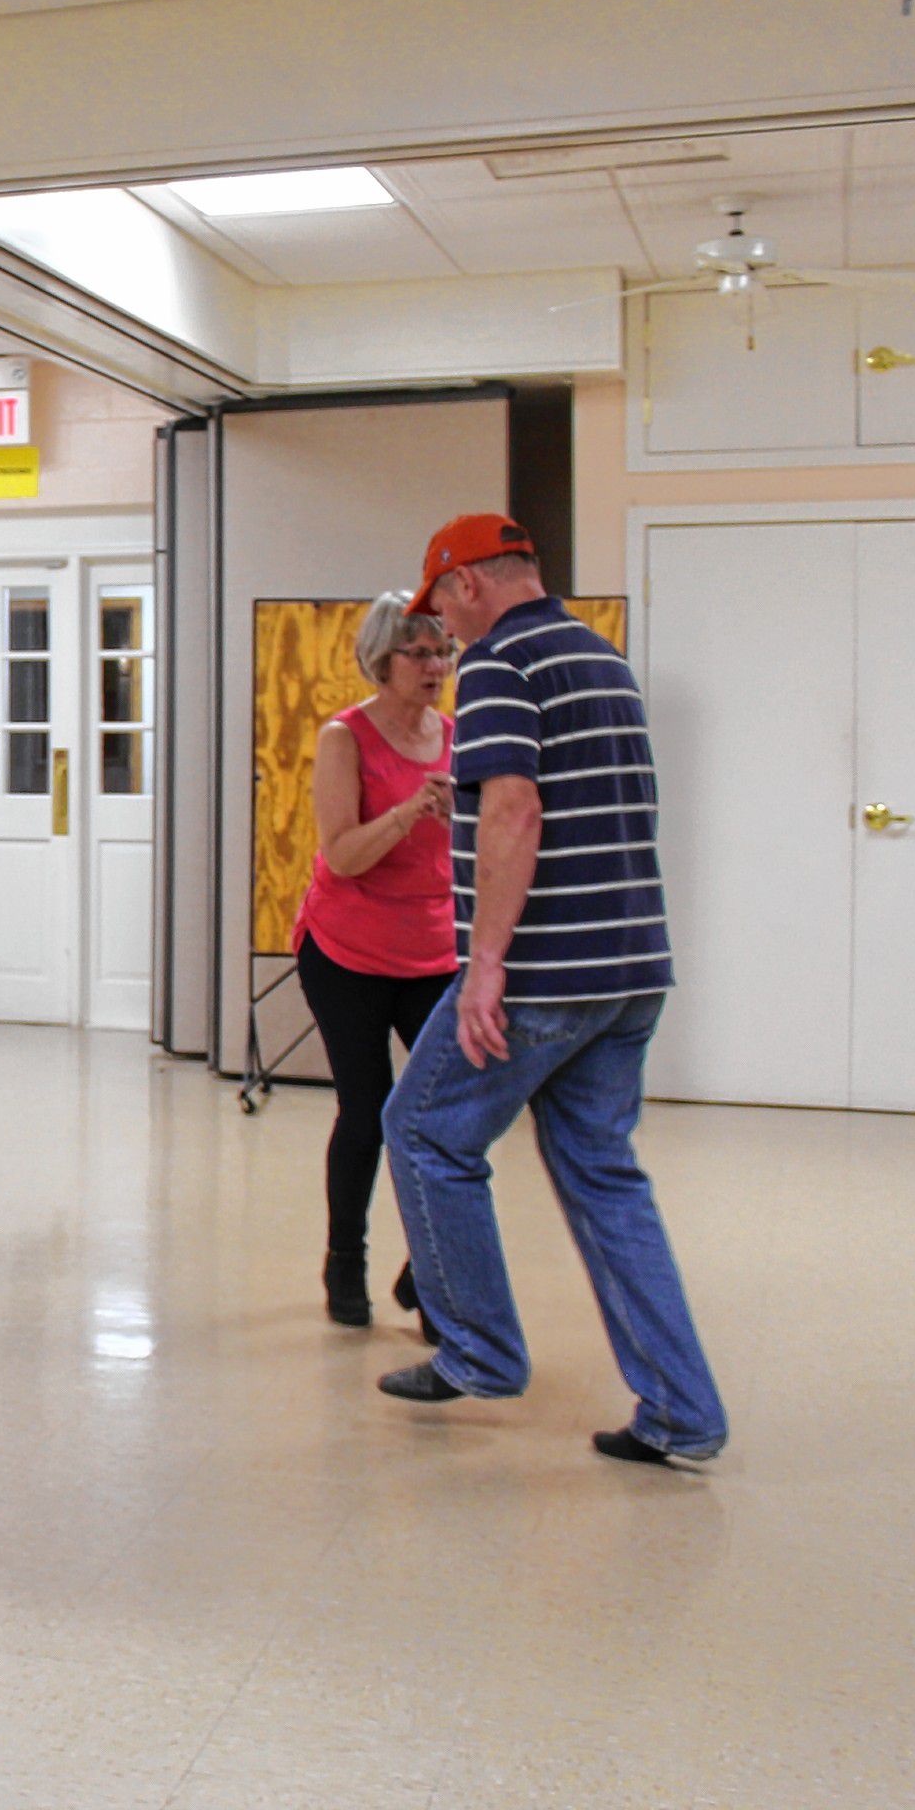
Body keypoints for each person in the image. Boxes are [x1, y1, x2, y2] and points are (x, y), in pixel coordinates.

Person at [374, 513, 730, 1468]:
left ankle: (479, 1352)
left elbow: (515, 809)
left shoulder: (500, 664)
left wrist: (485, 964)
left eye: (440, 606)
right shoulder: (602, 658)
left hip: (544, 973)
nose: (443, 633)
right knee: (607, 1182)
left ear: (470, 585)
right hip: (629, 969)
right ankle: (681, 1412)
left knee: (421, 1129)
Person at [294, 592, 458, 1328]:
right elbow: (344, 854)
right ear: (381, 659)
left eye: (443, 651)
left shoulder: (458, 735)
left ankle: (428, 1271)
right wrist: (409, 810)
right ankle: (345, 1262)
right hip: (347, 949)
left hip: (434, 949)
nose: (435, 666)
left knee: (441, 1118)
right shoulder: (345, 737)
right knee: (368, 1111)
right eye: (418, 652)